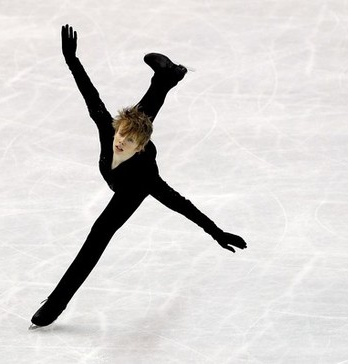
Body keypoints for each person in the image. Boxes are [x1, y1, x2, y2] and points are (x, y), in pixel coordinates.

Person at [30, 24, 247, 329]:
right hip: (133, 144)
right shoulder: (113, 131)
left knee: (97, 237)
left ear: (140, 147)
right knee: (137, 118)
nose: (119, 142)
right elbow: (91, 95)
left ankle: (55, 303)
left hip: (129, 188)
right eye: (120, 135)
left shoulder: (145, 176)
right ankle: (167, 77)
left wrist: (216, 232)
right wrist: (71, 59)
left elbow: (180, 203)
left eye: (128, 142)